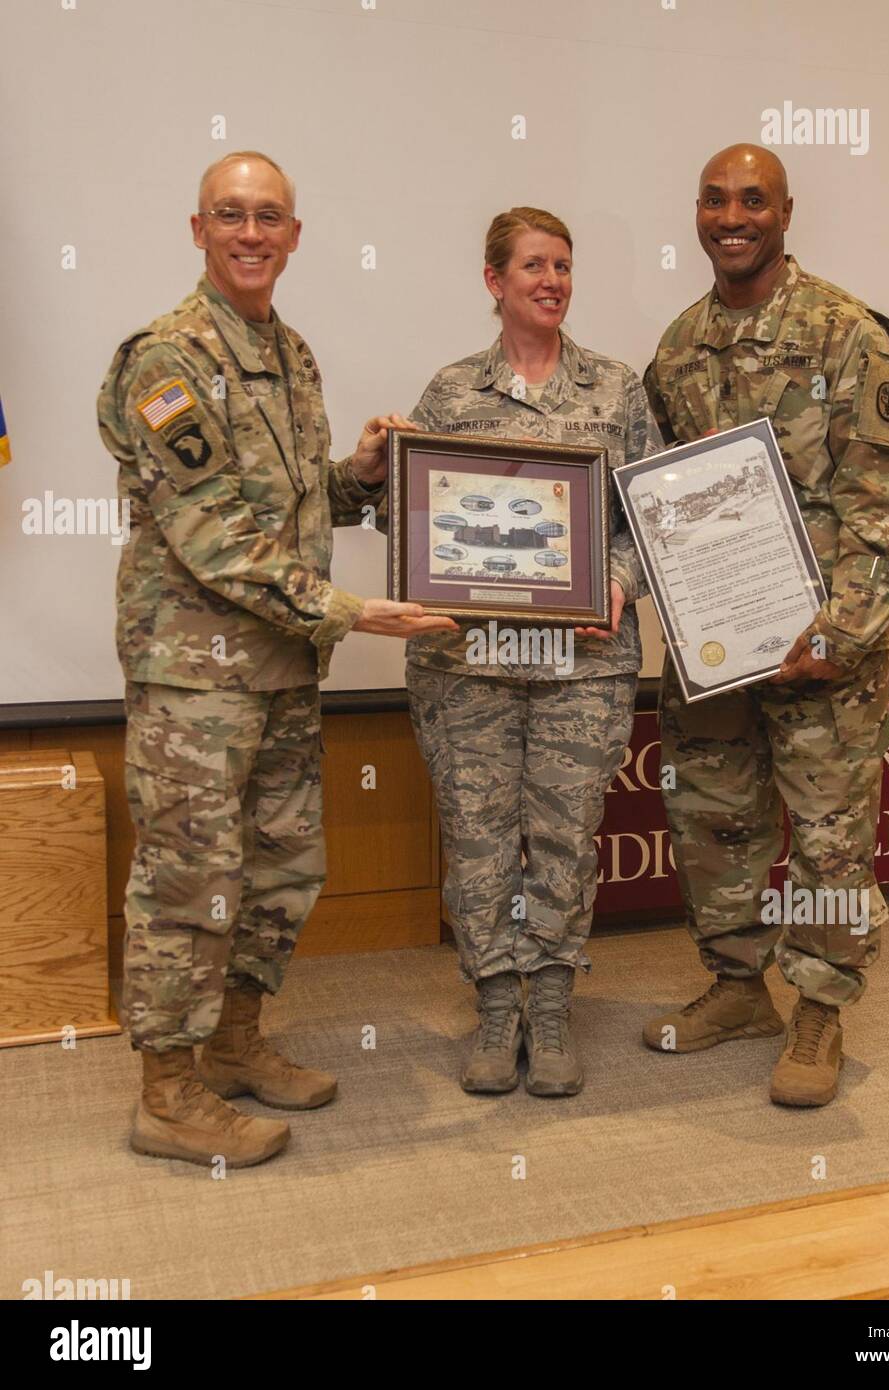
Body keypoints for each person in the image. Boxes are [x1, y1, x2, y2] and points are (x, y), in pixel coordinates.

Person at [97, 151, 455, 1167]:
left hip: (283, 668)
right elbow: (211, 534)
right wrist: (349, 609)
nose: (251, 233)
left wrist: (355, 474)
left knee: (279, 871)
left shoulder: (289, 353)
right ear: (197, 228)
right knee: (191, 878)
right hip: (197, 678)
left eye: (269, 218)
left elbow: (287, 511)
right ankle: (166, 1092)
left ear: (294, 235)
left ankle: (234, 1043)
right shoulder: (165, 360)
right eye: (230, 215)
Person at [641, 145, 889, 1107]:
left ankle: (817, 1010)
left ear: (786, 213)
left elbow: (884, 515)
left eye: (752, 200)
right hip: (716, 650)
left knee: (829, 843)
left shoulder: (848, 334)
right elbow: (662, 509)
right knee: (714, 820)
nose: (733, 216)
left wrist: (835, 640)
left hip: (824, 656)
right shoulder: (677, 351)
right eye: (715, 199)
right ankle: (736, 985)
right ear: (697, 211)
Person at [406, 207, 663, 1097]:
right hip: (468, 667)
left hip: (581, 666)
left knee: (563, 836)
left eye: (562, 266)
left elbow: (650, 516)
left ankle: (550, 1008)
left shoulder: (616, 390)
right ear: (494, 282)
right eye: (531, 267)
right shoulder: (449, 393)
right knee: (479, 840)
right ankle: (494, 1006)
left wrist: (621, 581)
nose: (551, 281)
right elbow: (420, 524)